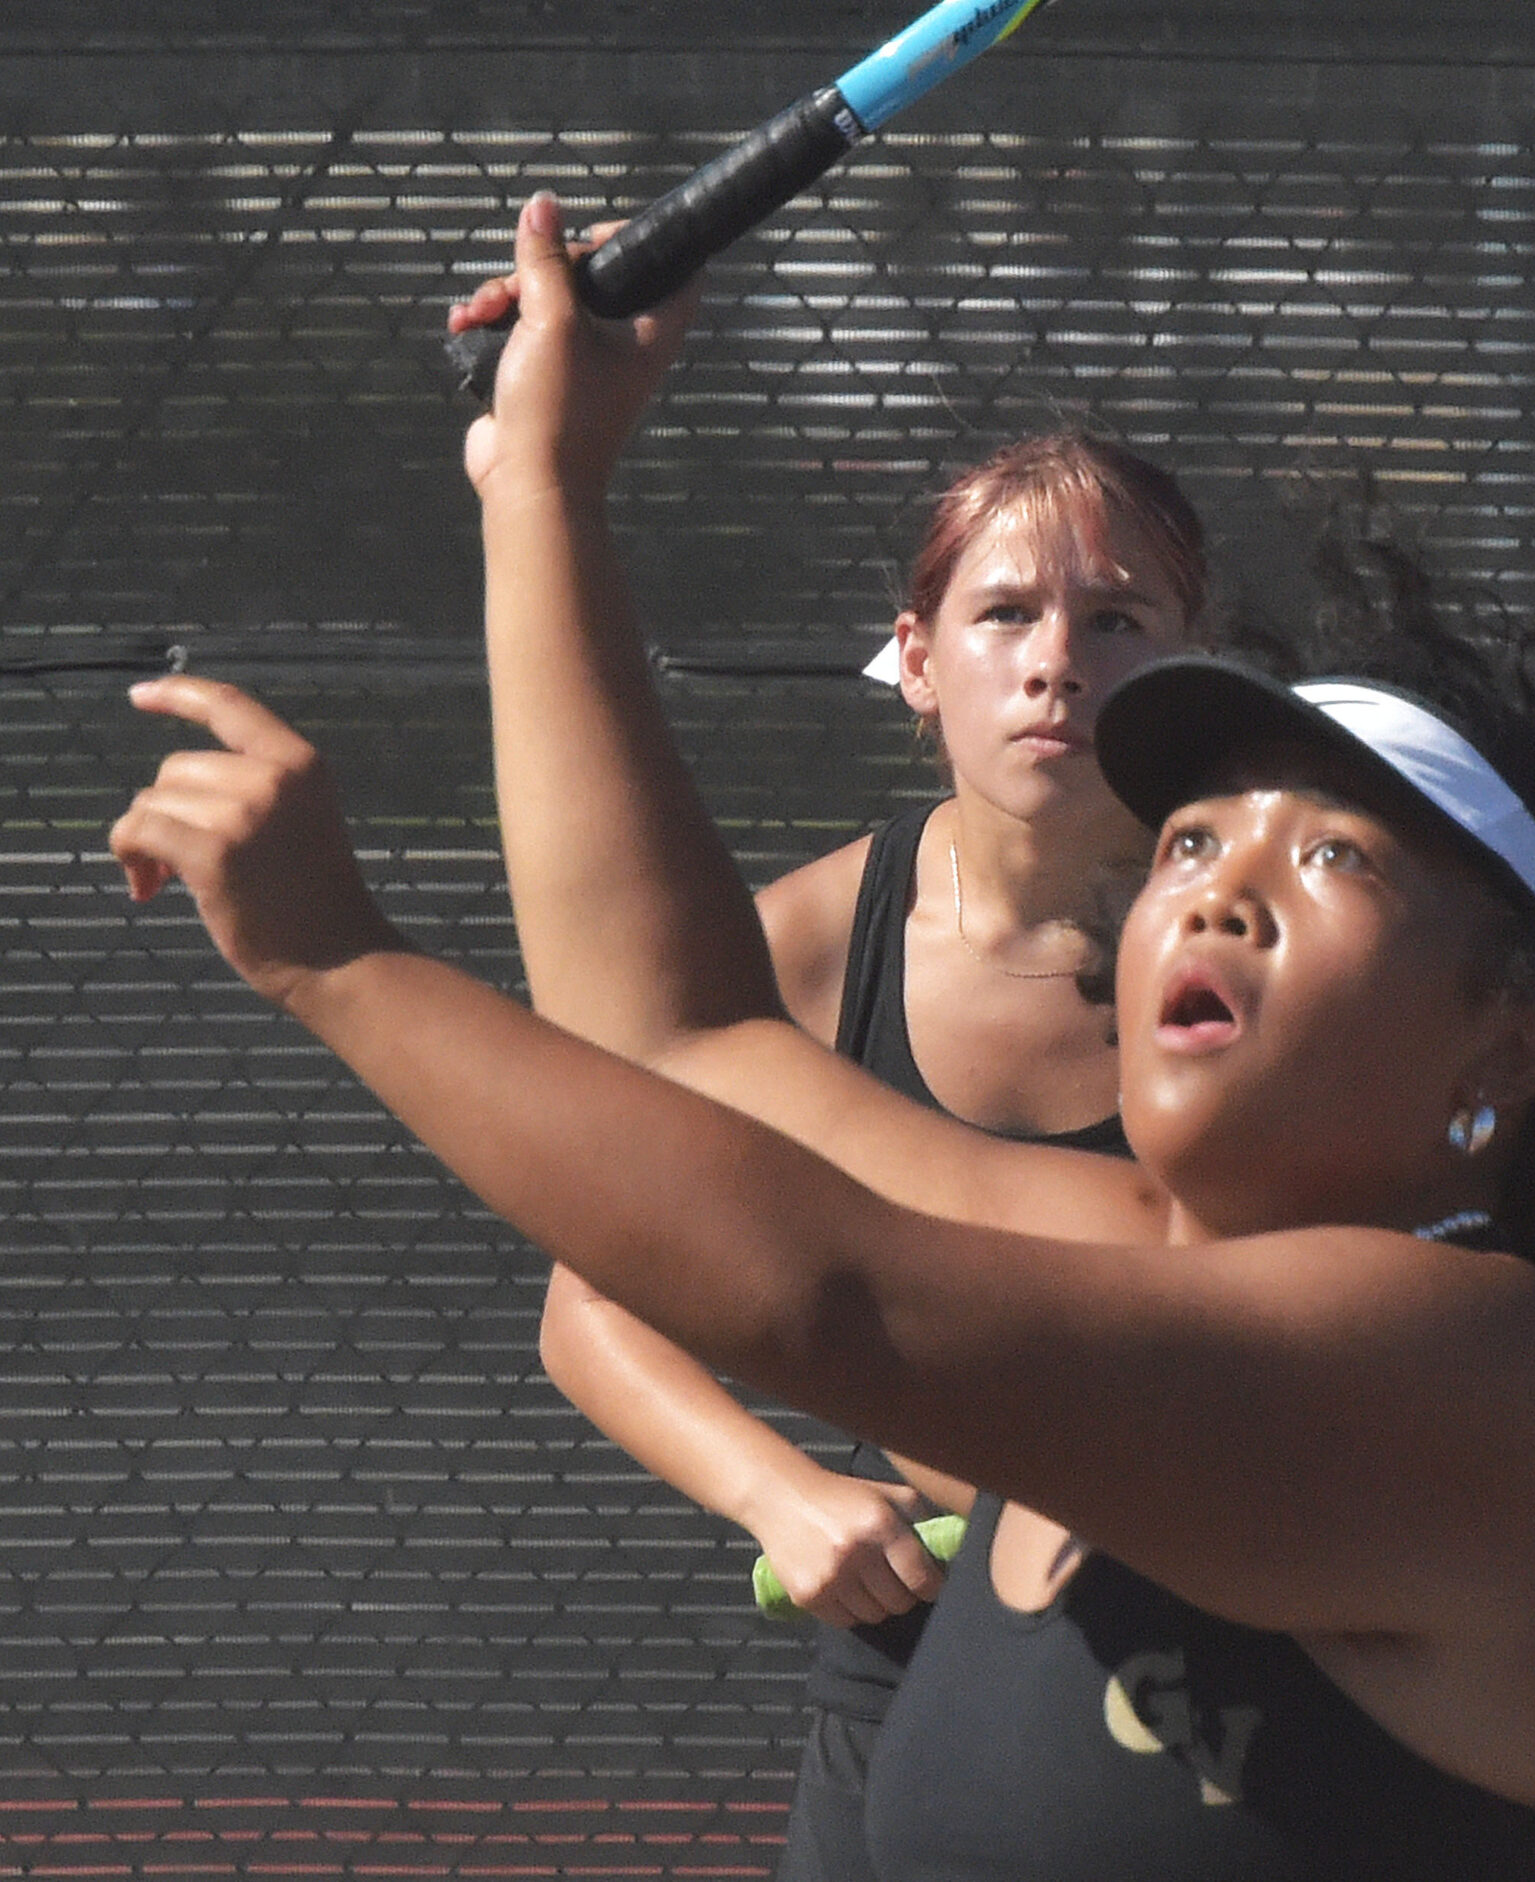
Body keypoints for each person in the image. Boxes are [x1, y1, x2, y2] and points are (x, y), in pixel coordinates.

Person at [113, 209, 1535, 1879]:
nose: (1216, 888)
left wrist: (341, 964)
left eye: (1330, 856)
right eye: (1190, 842)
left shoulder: (1483, 1378)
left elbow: (828, 1293)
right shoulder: (1124, 1272)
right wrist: (543, 484)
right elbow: (671, 1041)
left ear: (1506, 1042)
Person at [448, 193, 1212, 1878]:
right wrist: (777, 1491)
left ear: (1191, 666)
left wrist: (542, 484)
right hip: (910, 1677)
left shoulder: (1255, 951)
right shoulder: (800, 948)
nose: (1057, 663)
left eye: (1117, 619)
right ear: (916, 660)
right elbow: (595, 1296)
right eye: (1006, 615)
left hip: (1218, 1678)